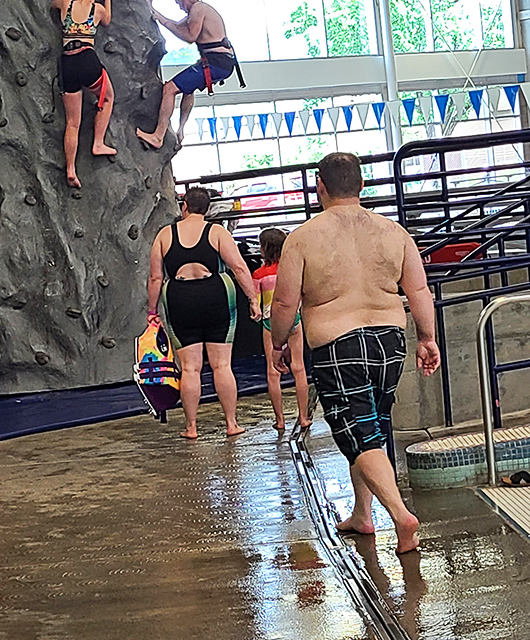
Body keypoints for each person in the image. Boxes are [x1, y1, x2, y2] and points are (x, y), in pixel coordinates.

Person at [270, 152, 440, 555]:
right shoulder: (394, 232)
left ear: (320, 186)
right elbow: (418, 290)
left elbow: (284, 303)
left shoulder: (303, 238)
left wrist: (278, 343)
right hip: (389, 341)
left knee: (361, 437)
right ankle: (363, 514)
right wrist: (427, 337)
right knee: (370, 428)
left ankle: (401, 516)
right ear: (362, 185)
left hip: (338, 343)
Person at [147, 186, 260, 439]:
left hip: (180, 299)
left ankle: (191, 427)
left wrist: (152, 311)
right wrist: (253, 299)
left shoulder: (165, 235)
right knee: (222, 365)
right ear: (207, 209)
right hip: (216, 296)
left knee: (190, 368)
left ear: (184, 206)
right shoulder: (216, 232)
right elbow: (239, 267)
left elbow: (155, 277)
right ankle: (231, 423)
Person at [136, 0, 238, 150]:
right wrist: (154, 11)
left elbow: (190, 36)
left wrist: (162, 20)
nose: (180, 7)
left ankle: (158, 136)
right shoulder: (200, 10)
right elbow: (177, 25)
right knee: (188, 88)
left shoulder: (198, 8)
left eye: (179, 3)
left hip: (217, 63)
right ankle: (181, 130)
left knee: (169, 88)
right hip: (221, 63)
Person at [51, 0, 116, 188]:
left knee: (72, 122)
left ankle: (71, 169)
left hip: (67, 61)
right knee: (107, 98)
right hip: (87, 58)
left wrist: (68, 3)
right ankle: (98, 142)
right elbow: (107, 20)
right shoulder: (97, 9)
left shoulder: (66, 3)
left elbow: (53, 4)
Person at [253, 228, 310, 433]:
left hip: (271, 322)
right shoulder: (290, 270)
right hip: (294, 319)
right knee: (299, 368)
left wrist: (256, 310)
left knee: (272, 371)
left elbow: (256, 303)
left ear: (265, 249)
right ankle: (303, 417)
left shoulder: (259, 275)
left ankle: (280, 420)